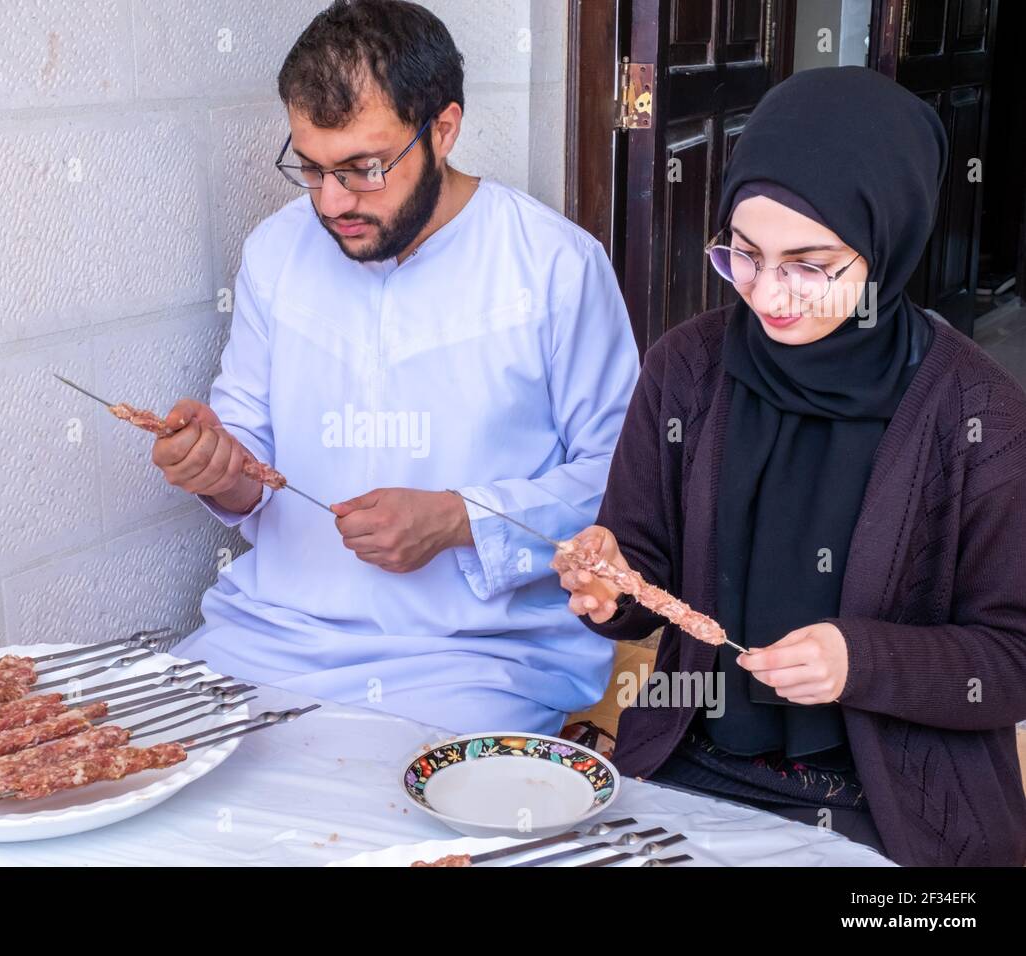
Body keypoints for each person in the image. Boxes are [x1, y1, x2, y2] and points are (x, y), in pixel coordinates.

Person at [558, 66, 1026, 866]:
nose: (769, 295)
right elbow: (641, 575)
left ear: (887, 241)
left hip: (891, 808)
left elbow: (1010, 658)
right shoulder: (686, 370)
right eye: (742, 254)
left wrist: (864, 662)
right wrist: (608, 586)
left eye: (810, 265)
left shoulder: (975, 414)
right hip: (690, 765)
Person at [154, 0, 639, 734]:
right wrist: (213, 463)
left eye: (363, 168)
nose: (333, 201)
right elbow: (248, 457)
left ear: (442, 130)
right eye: (311, 169)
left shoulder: (554, 266)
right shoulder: (276, 252)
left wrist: (458, 520)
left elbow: (620, 483)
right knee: (149, 785)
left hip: (477, 656)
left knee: (397, 830)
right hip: (272, 634)